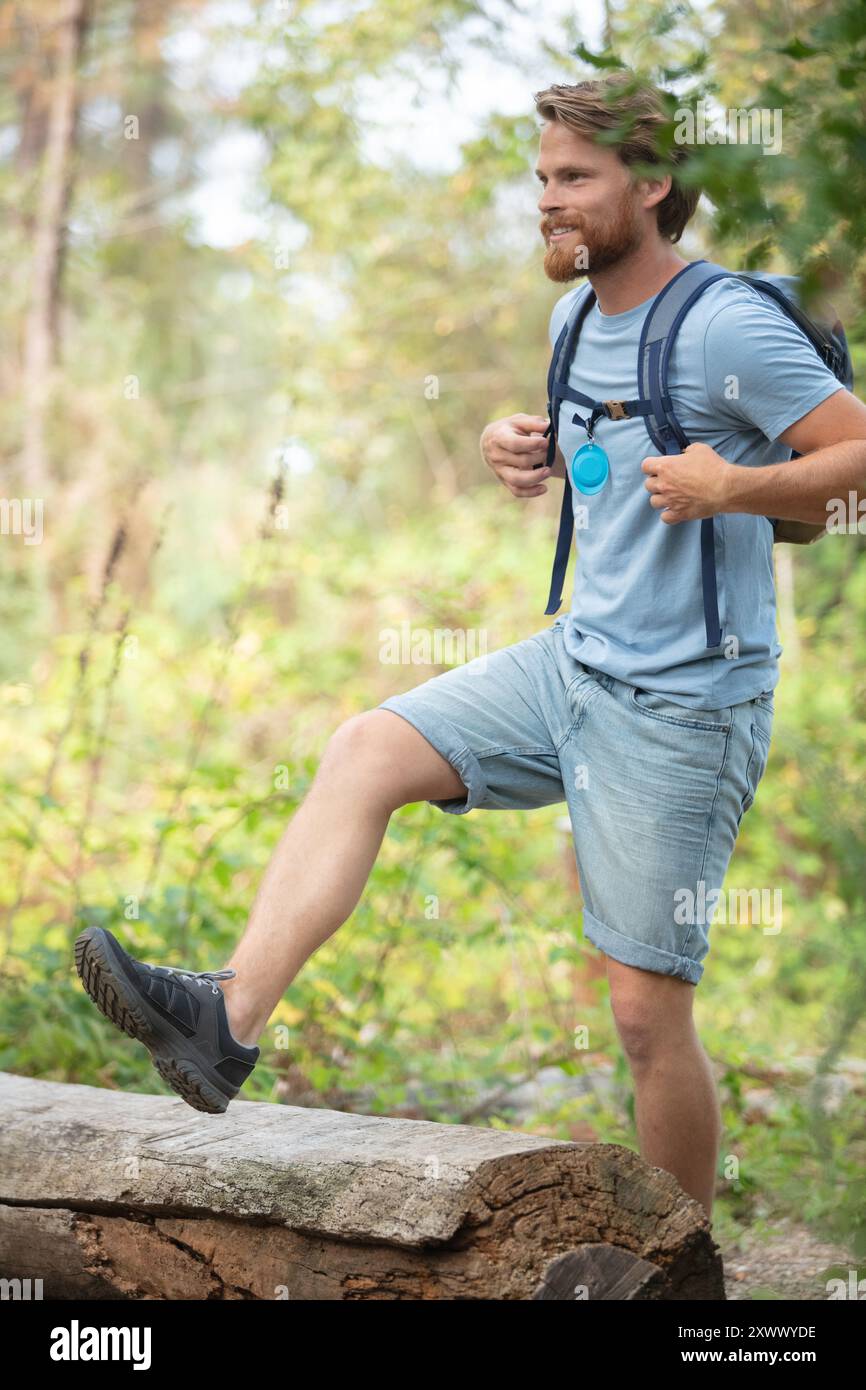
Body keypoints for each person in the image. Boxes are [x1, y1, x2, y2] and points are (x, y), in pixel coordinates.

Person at [75, 71, 866, 1221]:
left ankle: (683, 1273)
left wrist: (734, 484)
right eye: (540, 177)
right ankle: (221, 1026)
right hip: (570, 663)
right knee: (364, 750)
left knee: (647, 1019)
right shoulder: (570, 320)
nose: (545, 199)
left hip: (682, 703)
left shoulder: (726, 324)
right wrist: (523, 449)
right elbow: (601, 457)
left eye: (572, 179)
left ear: (648, 185)